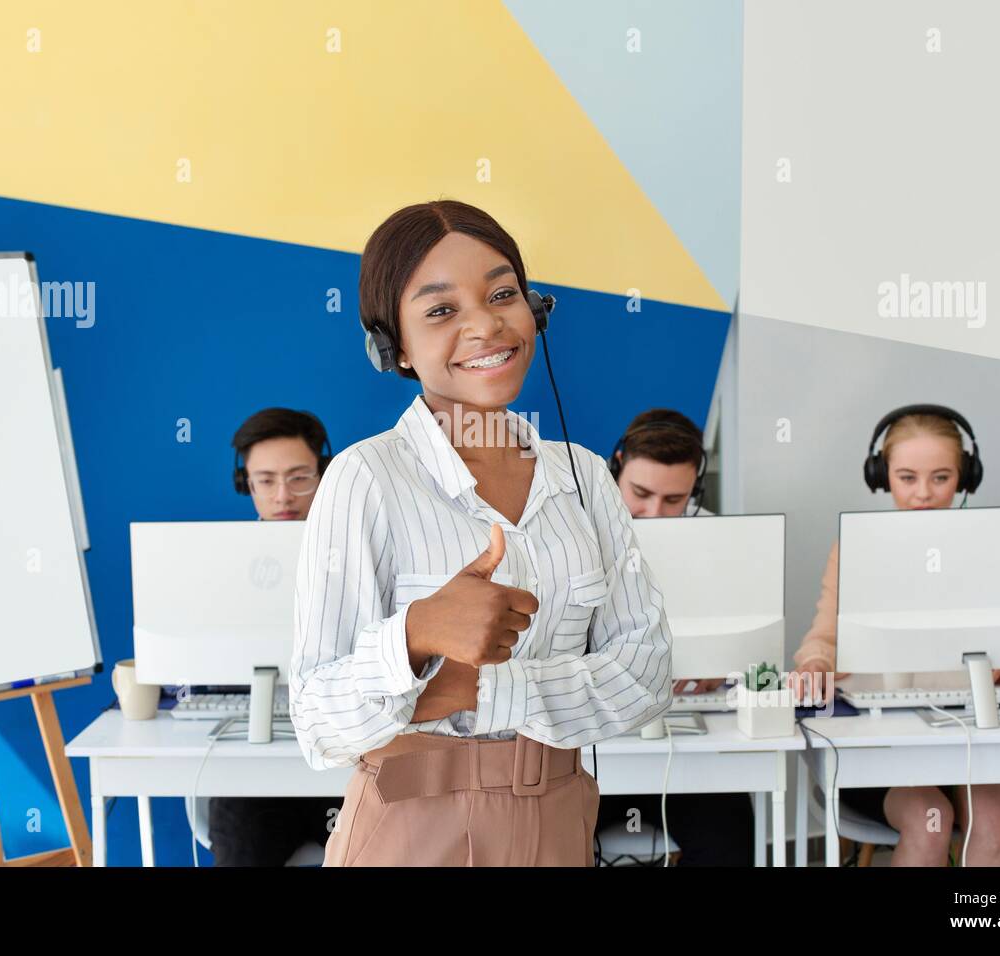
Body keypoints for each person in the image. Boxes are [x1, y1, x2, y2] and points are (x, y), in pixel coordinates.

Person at [290, 199, 672, 866]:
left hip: (558, 817)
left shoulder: (582, 476)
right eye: (441, 310)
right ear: (393, 346)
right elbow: (317, 722)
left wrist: (478, 688)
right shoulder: (366, 478)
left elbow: (646, 675)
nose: (486, 325)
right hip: (411, 829)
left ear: (537, 310)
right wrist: (417, 633)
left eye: (503, 294)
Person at [788, 405, 1000, 866]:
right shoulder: (855, 548)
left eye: (940, 477)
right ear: (881, 475)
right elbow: (823, 638)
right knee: (930, 815)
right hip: (880, 741)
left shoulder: (990, 547)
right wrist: (815, 662)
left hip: (962, 736)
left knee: (993, 814)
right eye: (907, 477)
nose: (923, 494)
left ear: (964, 477)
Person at [595, 408, 755, 865]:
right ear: (616, 467)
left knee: (730, 836)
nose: (654, 513)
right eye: (640, 494)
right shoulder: (575, 532)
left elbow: (746, 642)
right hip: (597, 757)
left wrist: (721, 669)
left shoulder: (719, 541)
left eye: (674, 500)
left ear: (695, 490)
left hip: (687, 753)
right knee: (546, 837)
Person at [205, 408, 337, 866]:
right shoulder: (219, 568)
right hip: (253, 770)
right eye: (265, 480)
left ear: (322, 474)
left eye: (299, 478)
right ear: (247, 484)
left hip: (343, 759)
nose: (284, 496)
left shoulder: (358, 552)